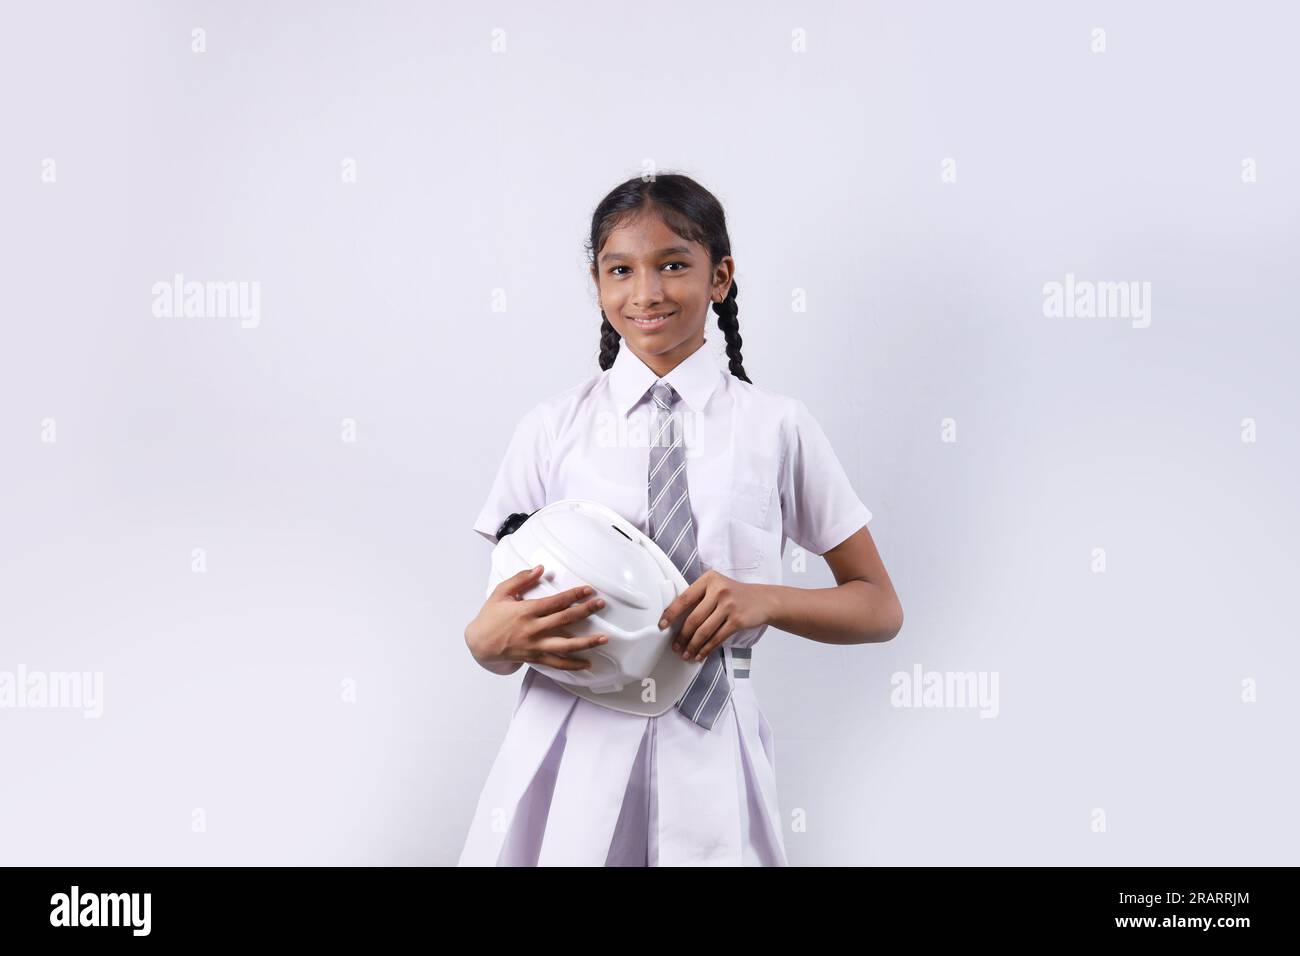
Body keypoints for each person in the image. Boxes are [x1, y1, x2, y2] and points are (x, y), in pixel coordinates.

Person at [458, 173, 904, 866]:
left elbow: (880, 608)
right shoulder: (552, 428)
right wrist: (486, 643)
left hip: (711, 739)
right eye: (620, 270)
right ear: (597, 283)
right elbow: (498, 621)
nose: (647, 293)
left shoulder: (776, 428)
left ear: (720, 277)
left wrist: (767, 598)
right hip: (569, 735)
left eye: (673, 264)